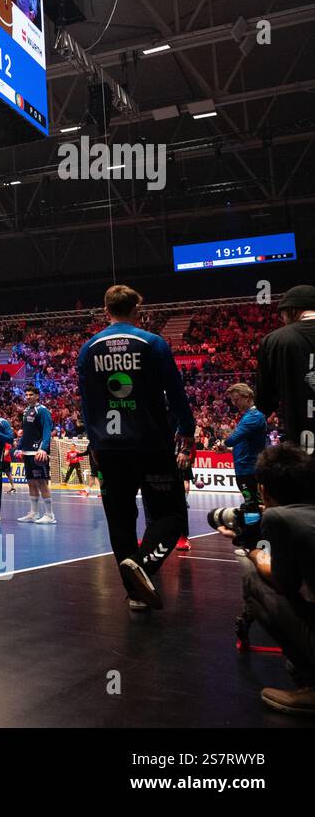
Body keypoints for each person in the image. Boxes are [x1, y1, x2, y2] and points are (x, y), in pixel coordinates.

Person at [77, 285, 194, 611]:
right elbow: (176, 391)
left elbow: (86, 403)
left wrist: (94, 441)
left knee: (120, 519)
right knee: (172, 515)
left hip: (108, 448)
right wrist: (187, 429)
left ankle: (135, 593)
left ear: (106, 311)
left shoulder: (88, 349)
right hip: (151, 444)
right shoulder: (152, 343)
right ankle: (143, 564)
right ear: (137, 310)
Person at [231, 445, 315, 713]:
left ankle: (311, 687)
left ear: (263, 490)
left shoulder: (277, 517)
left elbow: (283, 583)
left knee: (253, 580)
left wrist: (254, 552)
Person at [256, 284, 315, 455]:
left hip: (302, 446)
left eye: (282, 316)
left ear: (291, 311)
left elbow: (265, 402)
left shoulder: (274, 340)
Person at [224, 382, 269, 513]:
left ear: (247, 397)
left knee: (255, 506)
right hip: (244, 469)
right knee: (252, 505)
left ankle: (259, 526)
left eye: (237, 399)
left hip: (249, 470)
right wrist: (227, 450)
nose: (234, 403)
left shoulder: (253, 417)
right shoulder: (248, 417)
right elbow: (243, 444)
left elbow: (232, 439)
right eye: (233, 400)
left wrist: (224, 443)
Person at [16, 385, 56, 524]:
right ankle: (33, 513)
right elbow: (25, 432)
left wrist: (43, 448)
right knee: (31, 482)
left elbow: (47, 431)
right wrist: (19, 447)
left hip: (38, 452)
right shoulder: (26, 410)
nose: (28, 397)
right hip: (27, 452)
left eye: (31, 395)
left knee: (42, 482)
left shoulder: (43, 410)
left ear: (37, 396)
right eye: (26, 395)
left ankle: (50, 515)